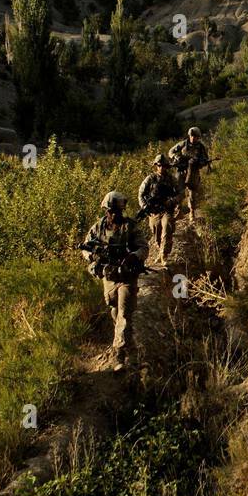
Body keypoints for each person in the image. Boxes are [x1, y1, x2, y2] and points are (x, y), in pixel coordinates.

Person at [80, 191, 145, 372]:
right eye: (111, 211)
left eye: (118, 211)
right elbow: (85, 247)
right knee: (115, 313)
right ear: (106, 211)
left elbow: (143, 247)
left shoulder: (130, 226)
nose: (115, 214)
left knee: (124, 314)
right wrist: (91, 256)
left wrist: (133, 256)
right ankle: (133, 354)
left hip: (127, 277)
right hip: (109, 278)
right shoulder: (97, 228)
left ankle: (119, 357)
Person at [138, 153, 181, 266]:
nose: (161, 167)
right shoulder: (150, 179)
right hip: (154, 211)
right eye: (159, 165)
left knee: (167, 229)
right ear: (156, 166)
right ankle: (160, 251)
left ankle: (164, 255)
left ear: (167, 166)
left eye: (164, 165)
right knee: (156, 233)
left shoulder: (171, 179)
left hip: (167, 210)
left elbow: (180, 194)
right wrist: (144, 206)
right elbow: (141, 194)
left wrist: (171, 201)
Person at [168, 126, 211, 224]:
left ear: (198, 137)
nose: (193, 138)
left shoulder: (201, 147)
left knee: (192, 194)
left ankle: (192, 213)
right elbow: (171, 151)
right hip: (181, 171)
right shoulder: (183, 144)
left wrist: (199, 162)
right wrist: (176, 157)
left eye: (195, 136)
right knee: (178, 192)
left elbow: (205, 160)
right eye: (191, 136)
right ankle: (179, 211)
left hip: (193, 172)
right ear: (189, 135)